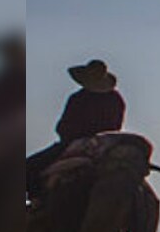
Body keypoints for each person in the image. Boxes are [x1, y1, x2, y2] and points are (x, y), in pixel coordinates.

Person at [25, 59, 126, 200]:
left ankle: (37, 201)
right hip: (107, 143)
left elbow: (63, 127)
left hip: (75, 143)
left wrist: (68, 133)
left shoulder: (78, 98)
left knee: (28, 168)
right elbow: (116, 126)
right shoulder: (116, 99)